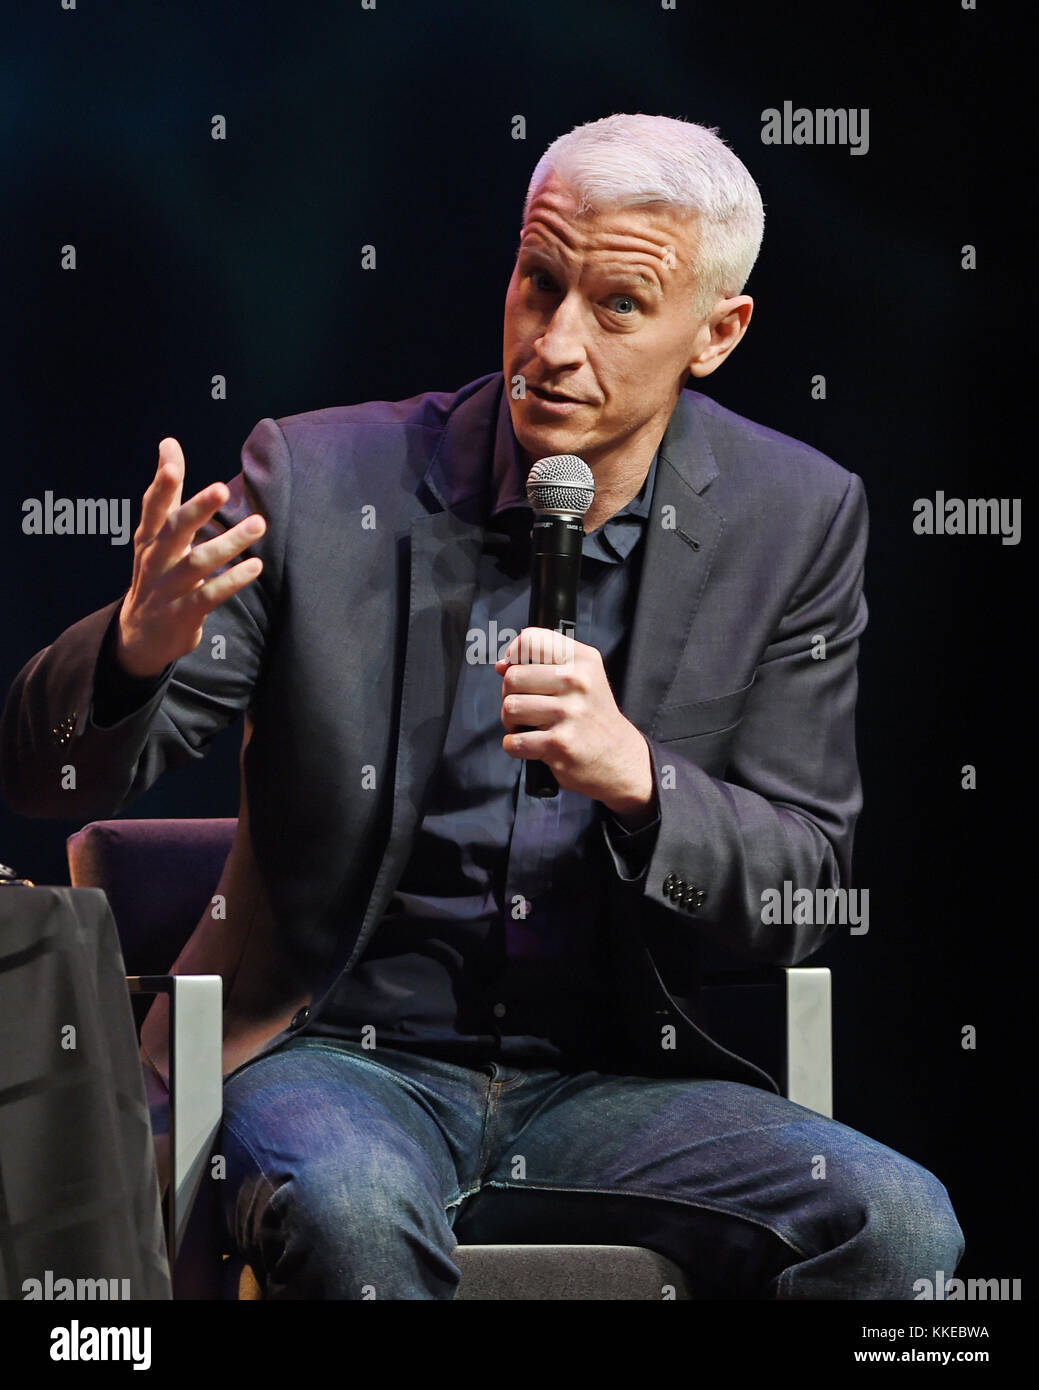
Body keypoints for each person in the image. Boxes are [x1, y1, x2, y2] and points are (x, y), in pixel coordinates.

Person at [0, 113, 963, 1299]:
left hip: (618, 1085)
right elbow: (45, 778)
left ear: (716, 333)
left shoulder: (794, 518)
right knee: (355, 1214)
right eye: (538, 283)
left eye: (616, 306)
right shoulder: (322, 481)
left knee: (902, 1229)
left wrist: (641, 780)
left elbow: (807, 887)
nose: (553, 344)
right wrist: (130, 657)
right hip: (332, 1056)